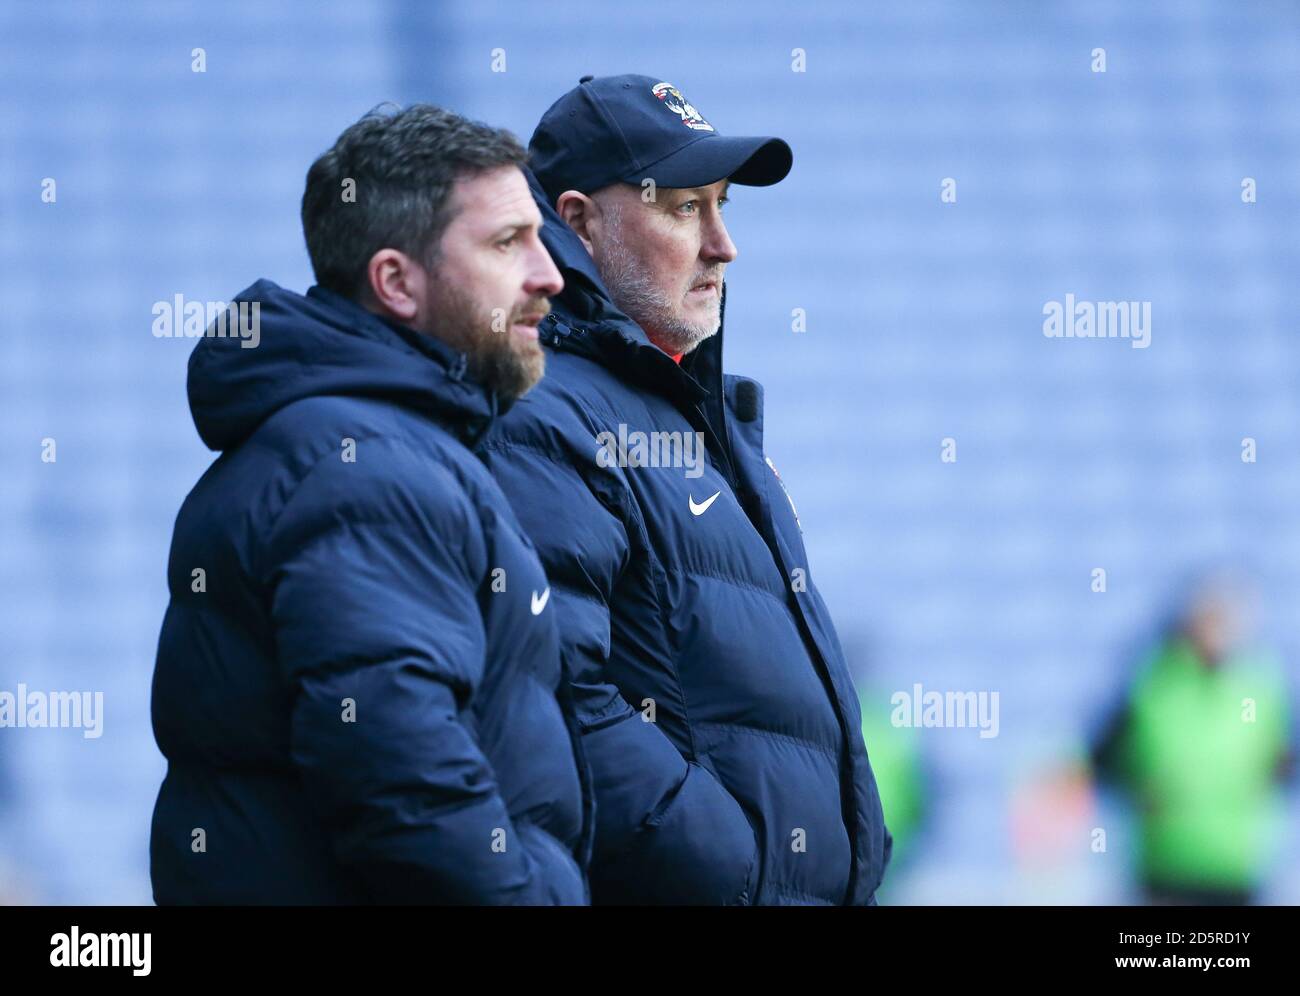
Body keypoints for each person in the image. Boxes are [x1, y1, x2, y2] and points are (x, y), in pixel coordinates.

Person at [150, 104, 592, 904]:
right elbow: (407, 789)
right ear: (395, 281)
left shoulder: (368, 443)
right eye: (506, 243)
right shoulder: (366, 470)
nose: (549, 274)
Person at [479, 74, 891, 904]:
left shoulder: (707, 421)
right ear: (577, 221)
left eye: (723, 204)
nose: (723, 244)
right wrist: (732, 865)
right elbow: (555, 699)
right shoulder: (544, 414)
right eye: (682, 208)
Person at [1091, 573, 1294, 905]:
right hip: (1163, 864)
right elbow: (1103, 760)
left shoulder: (1263, 689)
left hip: (1236, 865)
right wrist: (1138, 790)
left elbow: (1285, 765)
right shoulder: (1151, 684)